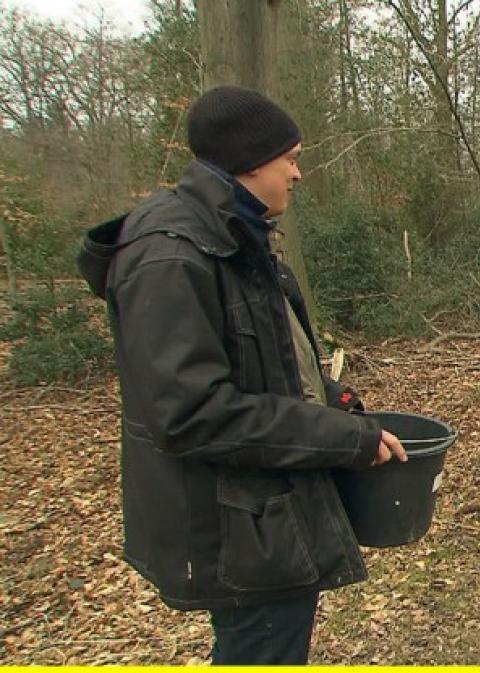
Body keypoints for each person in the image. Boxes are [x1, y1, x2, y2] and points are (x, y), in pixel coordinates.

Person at [77, 85, 407, 665]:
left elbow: (275, 363)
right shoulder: (172, 255)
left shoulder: (240, 234)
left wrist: (338, 402)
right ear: (252, 162)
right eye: (293, 158)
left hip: (272, 514)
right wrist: (341, 439)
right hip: (238, 529)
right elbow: (192, 413)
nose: (298, 174)